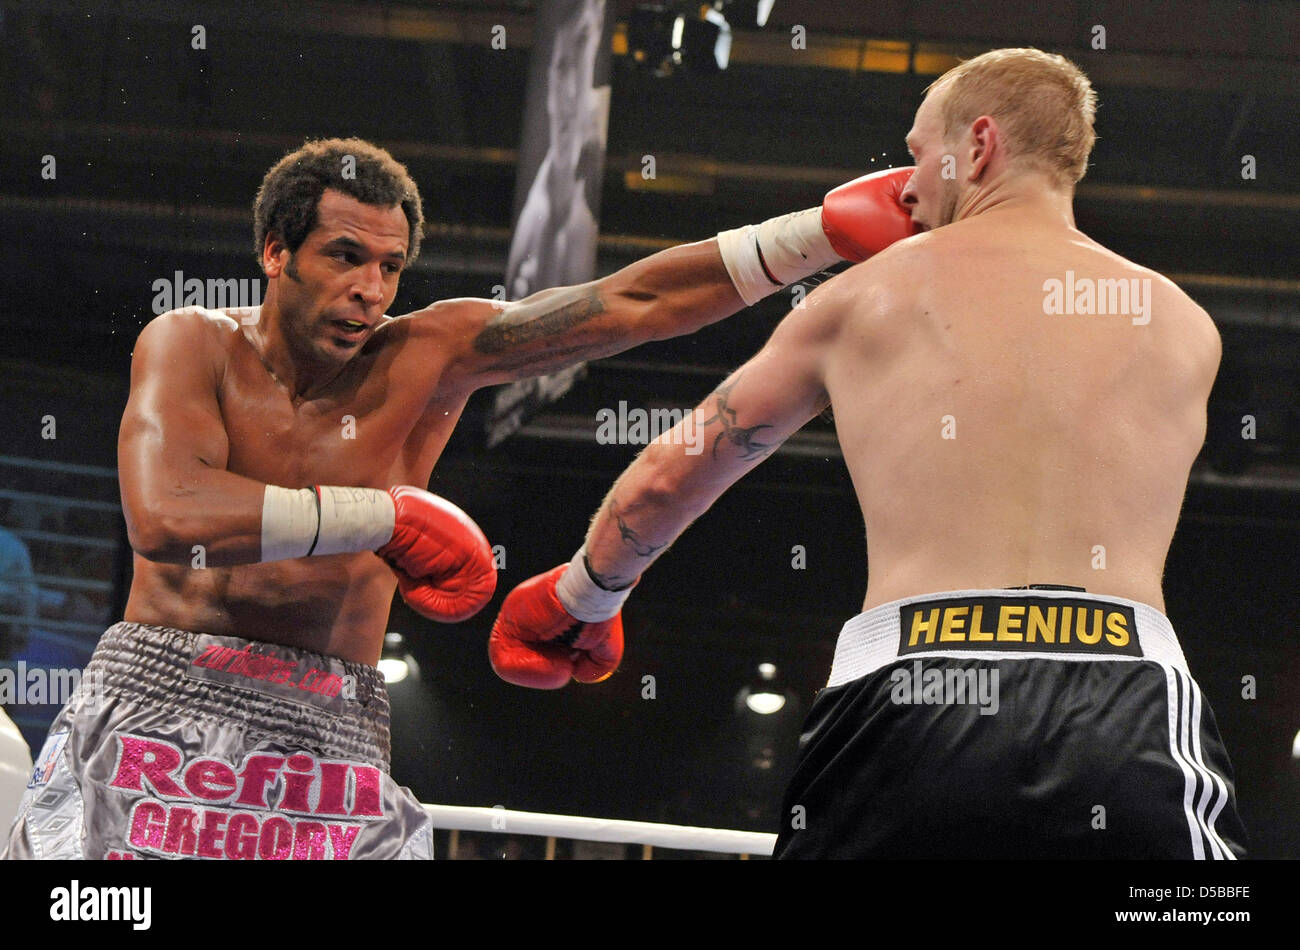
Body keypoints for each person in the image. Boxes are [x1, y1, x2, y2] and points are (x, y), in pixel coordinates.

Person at [2, 137, 916, 860]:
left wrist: (820, 235)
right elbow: (167, 516)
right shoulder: (190, 342)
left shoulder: (430, 354)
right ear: (276, 251)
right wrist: (383, 516)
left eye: (391, 267)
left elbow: (628, 302)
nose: (370, 290)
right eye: (345, 257)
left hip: (330, 723)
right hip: (161, 698)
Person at [490, 48, 1248, 860]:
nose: (906, 186)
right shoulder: (1181, 324)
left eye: (918, 154)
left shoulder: (861, 297)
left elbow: (671, 475)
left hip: (911, 686)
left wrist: (584, 599)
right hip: (1126, 701)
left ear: (979, 145)